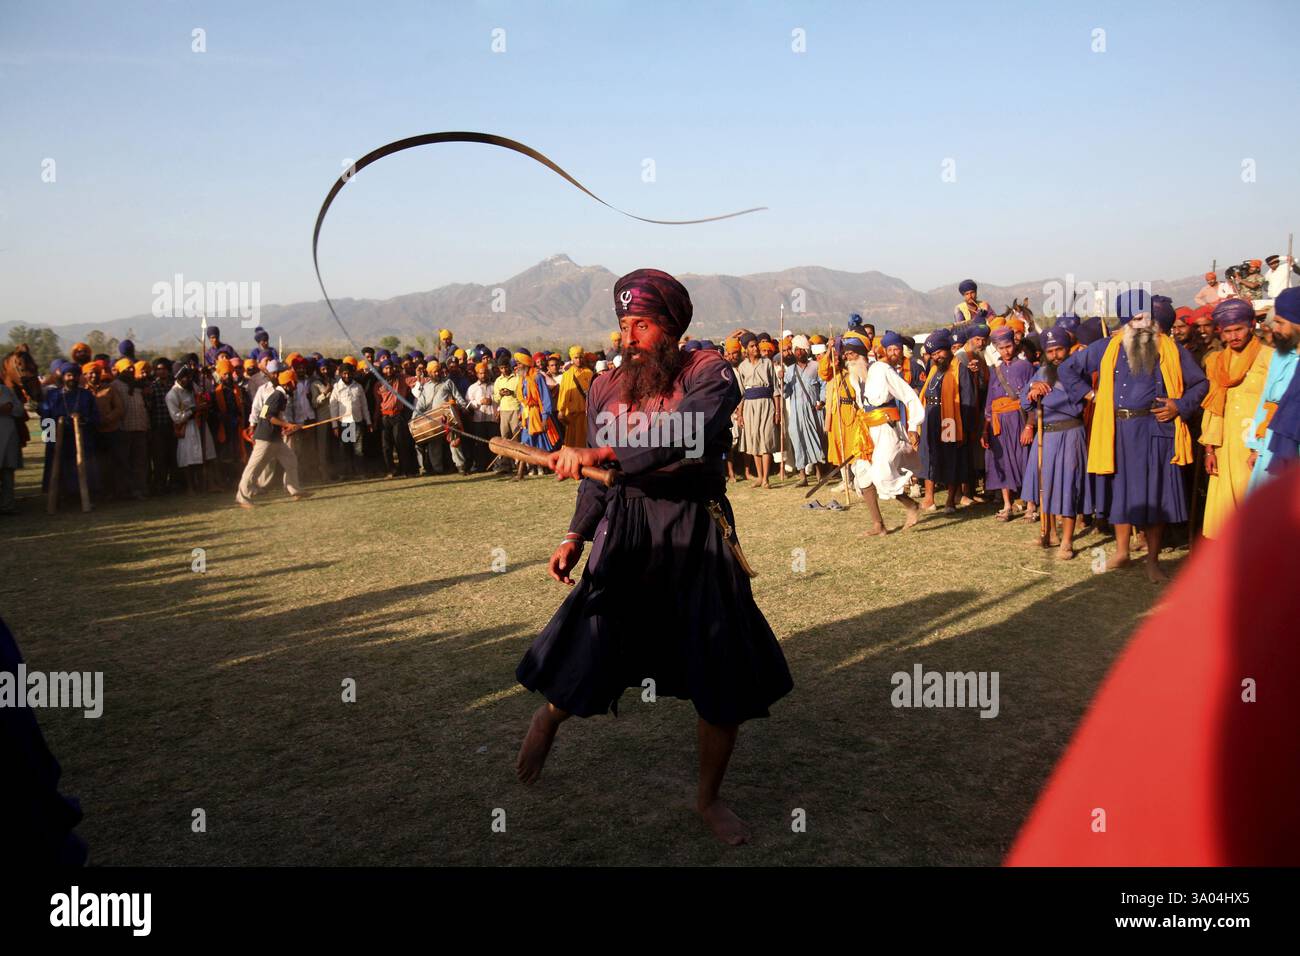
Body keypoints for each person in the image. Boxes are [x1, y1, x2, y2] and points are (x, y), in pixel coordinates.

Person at [514, 268, 793, 846]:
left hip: (694, 528)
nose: (629, 336)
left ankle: (708, 799)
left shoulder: (709, 373)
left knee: (719, 664)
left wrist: (602, 448)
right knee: (598, 641)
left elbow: (681, 434)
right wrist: (575, 535)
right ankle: (549, 718)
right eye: (623, 325)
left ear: (670, 328)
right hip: (627, 528)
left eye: (642, 324)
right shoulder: (604, 387)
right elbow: (598, 482)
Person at [1058, 290, 1209, 582]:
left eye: (1145, 318)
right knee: (1122, 493)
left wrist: (1179, 406)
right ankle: (1122, 552)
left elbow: (1200, 384)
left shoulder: (1171, 348)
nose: (1142, 324)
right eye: (1135, 319)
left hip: (1157, 430)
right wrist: (1091, 395)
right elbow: (1067, 369)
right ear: (1125, 322)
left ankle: (1152, 561)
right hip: (1119, 431)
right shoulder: (1107, 347)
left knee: (1155, 495)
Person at [1198, 298, 1272, 538]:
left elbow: (1277, 405)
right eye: (1227, 332)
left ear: (1251, 325)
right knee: (1226, 516)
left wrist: (1260, 447)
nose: (1233, 337)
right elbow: (1213, 406)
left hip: (1259, 446)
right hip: (1226, 447)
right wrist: (1210, 449)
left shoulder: (1270, 358)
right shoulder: (1216, 362)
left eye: (1238, 329)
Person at [1020, 327, 1093, 559]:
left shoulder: (1077, 370)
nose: (1055, 355)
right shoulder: (1041, 371)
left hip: (1070, 433)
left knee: (1068, 485)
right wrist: (1032, 390)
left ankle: (1067, 542)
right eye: (1050, 351)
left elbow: (1073, 399)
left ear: (1067, 349)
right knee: (1046, 485)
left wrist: (1045, 396)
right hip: (1046, 435)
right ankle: (1050, 533)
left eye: (1059, 349)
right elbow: (1024, 402)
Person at [840, 333, 922, 534]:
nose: (847, 359)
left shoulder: (881, 370)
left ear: (860, 354)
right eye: (846, 355)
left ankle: (911, 505)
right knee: (862, 472)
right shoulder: (854, 377)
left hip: (887, 429)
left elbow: (909, 396)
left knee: (881, 472)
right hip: (867, 432)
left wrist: (913, 425)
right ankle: (878, 525)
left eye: (851, 354)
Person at [1246, 288, 1300, 493]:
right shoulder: (1280, 355)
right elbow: (1266, 400)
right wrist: (1256, 446)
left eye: (1280, 322)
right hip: (1271, 443)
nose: (1273, 328)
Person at [236, 370, 309, 507]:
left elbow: (267, 413)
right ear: (289, 383)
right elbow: (269, 417)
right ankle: (242, 496)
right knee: (254, 467)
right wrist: (286, 424)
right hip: (266, 438)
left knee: (291, 460)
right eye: (295, 383)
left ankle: (295, 490)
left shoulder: (278, 395)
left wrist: (286, 427)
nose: (296, 385)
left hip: (275, 438)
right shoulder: (278, 396)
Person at [982, 327, 1033, 520]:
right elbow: (989, 401)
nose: (1006, 351)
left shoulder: (1026, 367)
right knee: (1002, 462)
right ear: (996, 348)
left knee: (1024, 460)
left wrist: (1029, 424)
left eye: (1009, 346)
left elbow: (1032, 399)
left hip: (1019, 419)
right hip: (999, 422)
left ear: (1015, 345)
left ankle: (1030, 505)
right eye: (1001, 348)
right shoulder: (996, 371)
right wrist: (985, 428)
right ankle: (1007, 504)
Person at [917, 329, 969, 512]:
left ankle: (950, 500)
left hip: (950, 420)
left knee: (950, 457)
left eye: (939, 352)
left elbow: (967, 400)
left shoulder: (959, 368)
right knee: (928, 456)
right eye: (933, 354)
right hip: (930, 417)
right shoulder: (932, 370)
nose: (937, 357)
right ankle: (929, 498)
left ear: (948, 349)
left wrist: (965, 427)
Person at [40, 361, 99, 502]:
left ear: (79, 377)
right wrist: (50, 440)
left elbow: (96, 416)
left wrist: (83, 419)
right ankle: (59, 496)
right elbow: (45, 417)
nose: (72, 378)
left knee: (84, 467)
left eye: (75, 375)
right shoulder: (52, 395)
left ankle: (82, 496)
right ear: (63, 377)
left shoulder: (86, 395)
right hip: (58, 439)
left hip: (82, 439)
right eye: (69, 375)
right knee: (57, 468)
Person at [735, 334, 779, 487]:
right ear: (746, 349)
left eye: (756, 345)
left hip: (766, 404)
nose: (755, 348)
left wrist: (778, 411)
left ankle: (766, 478)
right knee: (754, 440)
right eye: (752, 346)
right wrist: (739, 414)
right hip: (749, 406)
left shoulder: (767, 363)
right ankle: (759, 477)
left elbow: (775, 389)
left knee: (766, 439)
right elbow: (741, 394)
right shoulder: (742, 367)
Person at [781, 335, 825, 487]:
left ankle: (819, 474)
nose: (799, 352)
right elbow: (785, 393)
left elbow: (823, 385)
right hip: (796, 411)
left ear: (807, 351)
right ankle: (802, 477)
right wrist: (781, 380)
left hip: (813, 409)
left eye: (802, 349)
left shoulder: (816, 366)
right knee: (797, 440)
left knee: (815, 440)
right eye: (797, 349)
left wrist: (822, 401)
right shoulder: (790, 370)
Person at [512, 349, 561, 479]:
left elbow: (546, 398)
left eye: (519, 363)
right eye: (516, 363)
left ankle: (550, 467)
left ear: (526, 363)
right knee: (526, 443)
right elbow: (523, 400)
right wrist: (521, 414)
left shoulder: (537, 377)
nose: (517, 366)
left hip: (538, 415)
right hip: (527, 416)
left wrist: (545, 418)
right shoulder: (521, 379)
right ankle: (524, 471)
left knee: (544, 443)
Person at [166, 363, 215, 495]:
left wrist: (204, 402)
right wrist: (193, 410)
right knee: (188, 459)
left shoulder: (193, 386)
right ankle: (190, 488)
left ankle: (209, 485)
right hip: (187, 428)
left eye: (189, 376)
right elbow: (176, 417)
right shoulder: (172, 394)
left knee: (207, 455)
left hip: (201, 424)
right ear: (178, 378)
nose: (188, 379)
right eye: (185, 377)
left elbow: (205, 395)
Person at [328, 358, 371, 479]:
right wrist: (335, 426)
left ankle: (360, 473)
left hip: (357, 422)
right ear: (341, 374)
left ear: (353, 374)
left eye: (349, 373)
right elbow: (333, 408)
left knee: (358, 450)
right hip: (345, 423)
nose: (347, 376)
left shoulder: (358, 387)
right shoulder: (337, 387)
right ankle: (345, 474)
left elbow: (364, 406)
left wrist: (368, 422)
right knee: (345, 450)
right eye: (344, 374)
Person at [557, 347, 593, 449]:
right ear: (572, 359)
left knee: (584, 441)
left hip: (585, 414)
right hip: (571, 415)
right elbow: (563, 393)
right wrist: (561, 410)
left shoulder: (589, 374)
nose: (578, 360)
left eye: (580, 357)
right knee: (571, 442)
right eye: (576, 358)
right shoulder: (567, 375)